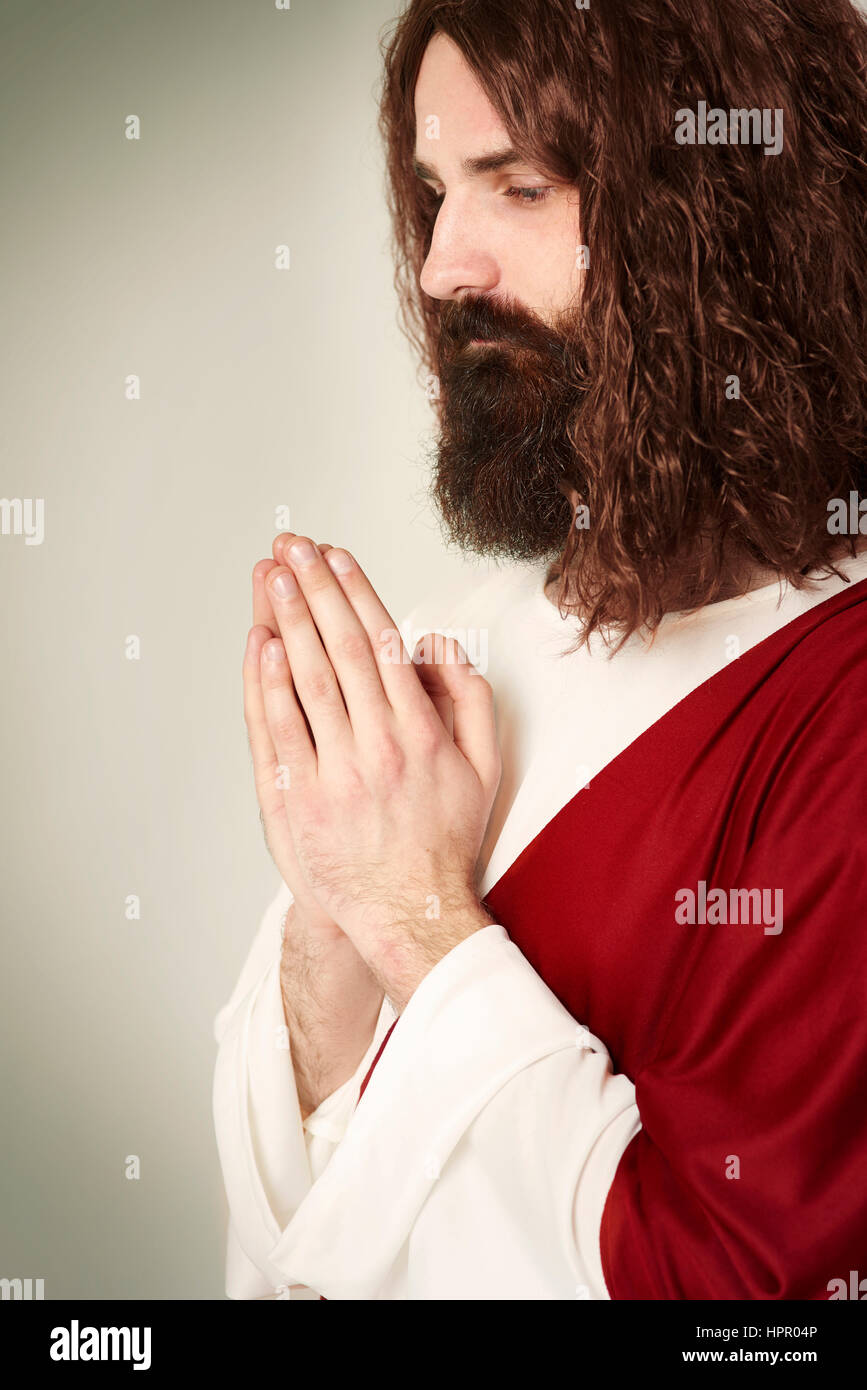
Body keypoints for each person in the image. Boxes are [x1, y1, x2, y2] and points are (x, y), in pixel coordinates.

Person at [213, 0, 867, 1299]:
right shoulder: (461, 655)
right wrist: (335, 925)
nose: (442, 267)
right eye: (433, 195)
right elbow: (296, 1229)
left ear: (733, 221)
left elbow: (742, 1298)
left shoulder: (837, 712)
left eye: (519, 185)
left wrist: (418, 919)